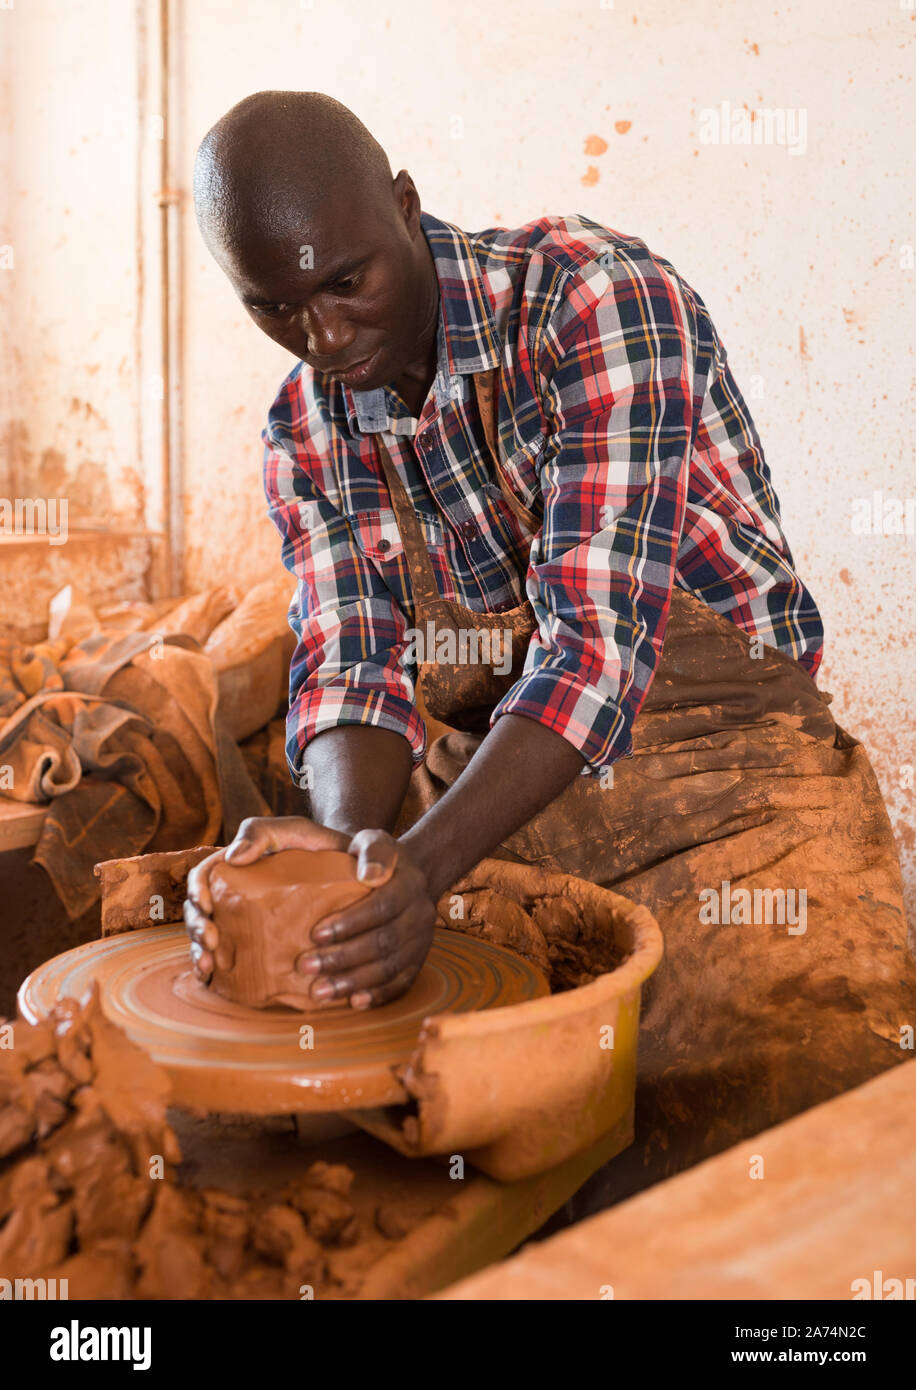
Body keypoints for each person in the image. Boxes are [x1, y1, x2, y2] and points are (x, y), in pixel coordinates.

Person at [186, 90, 915, 1202]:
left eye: (346, 281)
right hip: (501, 798)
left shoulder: (592, 297)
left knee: (803, 1169)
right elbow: (353, 667)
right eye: (275, 308)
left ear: (404, 205)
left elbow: (592, 648)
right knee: (463, 1174)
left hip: (728, 784)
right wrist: (340, 869)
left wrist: (424, 866)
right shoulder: (305, 424)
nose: (324, 338)